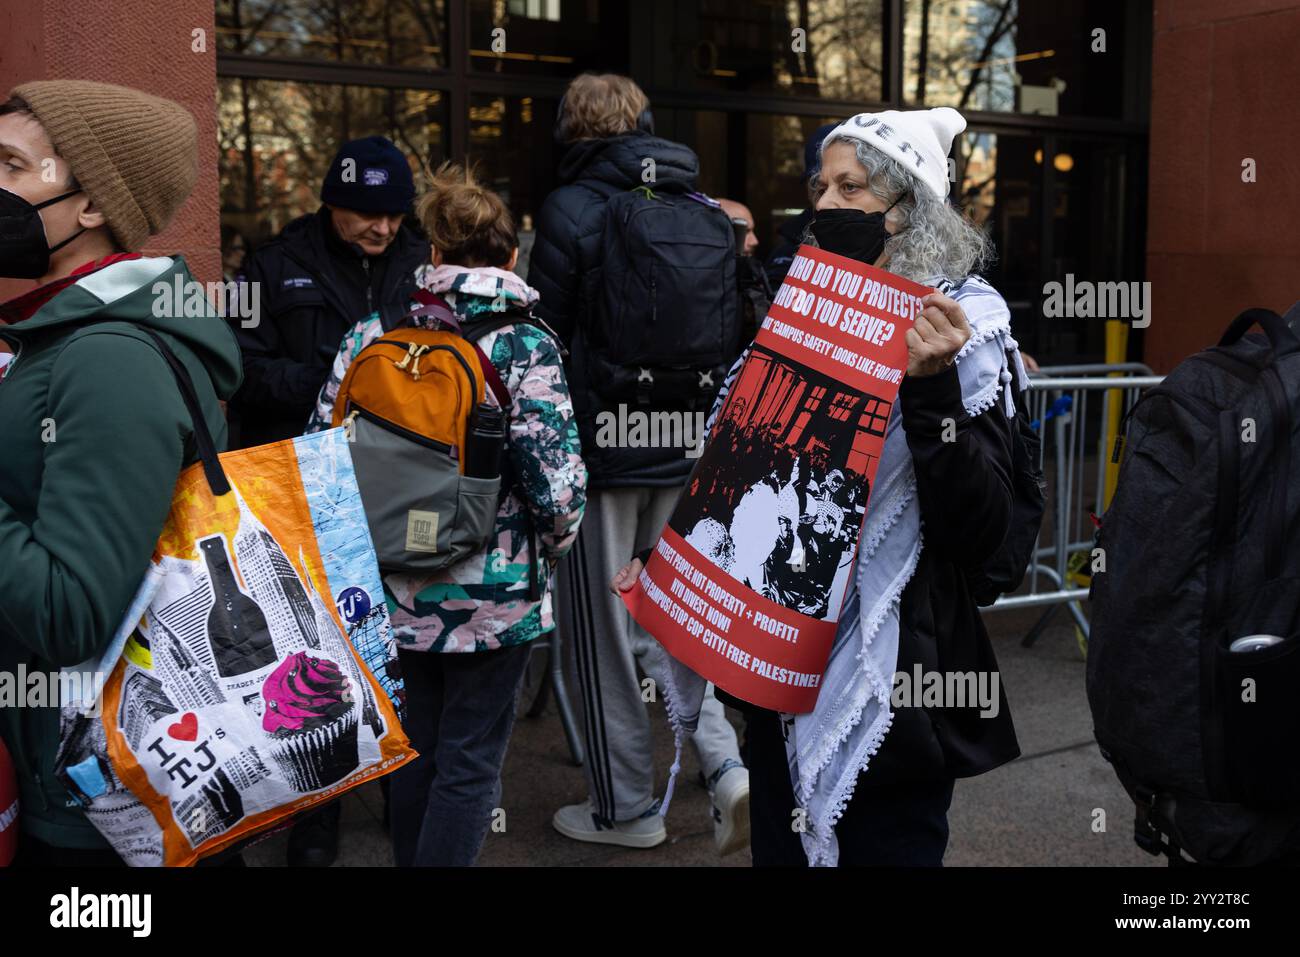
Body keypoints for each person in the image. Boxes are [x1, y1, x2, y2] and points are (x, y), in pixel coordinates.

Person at [613, 107, 1025, 866]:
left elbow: (990, 539)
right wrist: (674, 563)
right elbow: (739, 475)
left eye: (852, 187)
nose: (826, 203)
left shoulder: (970, 336)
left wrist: (930, 395)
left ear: (911, 212)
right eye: (821, 185)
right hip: (775, 673)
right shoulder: (800, 320)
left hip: (894, 687)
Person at [309, 162, 586, 866]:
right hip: (494, 601)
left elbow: (321, 454)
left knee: (413, 751)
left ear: (432, 253)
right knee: (469, 765)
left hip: (391, 587)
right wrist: (545, 554)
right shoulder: (527, 344)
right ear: (511, 255)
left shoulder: (374, 331)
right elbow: (558, 490)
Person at [0, 80, 240, 866]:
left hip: (96, 815)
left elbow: (71, 612)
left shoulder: (106, 357)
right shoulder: (63, 333)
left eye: (11, 164)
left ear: (92, 203)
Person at [528, 72, 750, 854]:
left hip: (603, 456)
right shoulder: (698, 208)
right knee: (676, 621)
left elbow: (542, 342)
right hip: (687, 451)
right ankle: (724, 763)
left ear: (572, 130)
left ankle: (627, 810)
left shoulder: (570, 209)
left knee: (600, 638)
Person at [228, 134, 430, 865]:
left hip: (394, 480)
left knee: (391, 647)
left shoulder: (418, 259)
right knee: (313, 655)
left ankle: (403, 790)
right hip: (298, 481)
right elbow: (240, 368)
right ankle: (318, 818)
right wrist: (329, 386)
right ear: (332, 204)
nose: (384, 229)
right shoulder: (276, 266)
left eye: (396, 216)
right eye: (368, 215)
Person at [764, 121, 839, 290]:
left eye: (849, 187)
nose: (824, 203)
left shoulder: (898, 250)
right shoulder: (788, 249)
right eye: (819, 188)